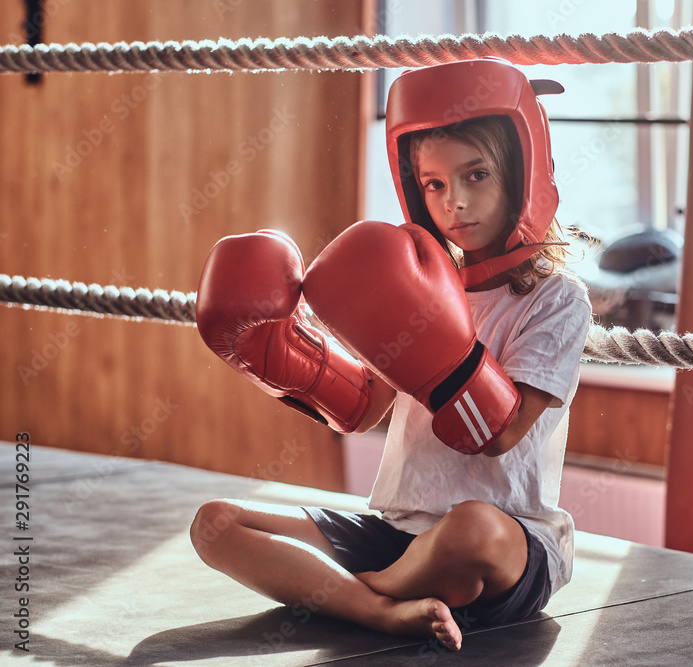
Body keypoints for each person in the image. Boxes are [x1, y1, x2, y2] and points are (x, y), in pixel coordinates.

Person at [189, 58, 593, 652]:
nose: (454, 201)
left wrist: (438, 342)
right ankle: (383, 611)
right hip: (398, 532)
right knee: (216, 523)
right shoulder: (423, 280)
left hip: (508, 543)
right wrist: (275, 353)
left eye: (476, 174)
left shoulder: (556, 299)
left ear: (524, 171)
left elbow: (502, 433)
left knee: (472, 528)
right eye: (434, 183)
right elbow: (364, 406)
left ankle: (348, 594)